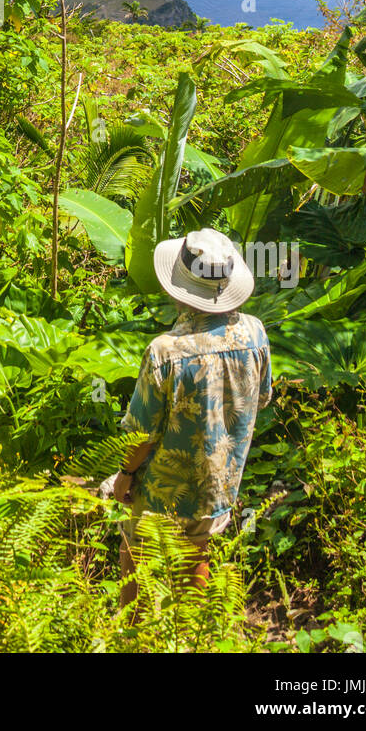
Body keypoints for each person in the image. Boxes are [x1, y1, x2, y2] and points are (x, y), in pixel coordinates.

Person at [100, 227, 272, 610]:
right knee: (198, 556)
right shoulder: (255, 334)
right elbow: (260, 399)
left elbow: (141, 436)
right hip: (218, 485)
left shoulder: (165, 351)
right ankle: (194, 636)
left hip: (161, 490)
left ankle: (134, 638)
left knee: (137, 558)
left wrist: (125, 477)